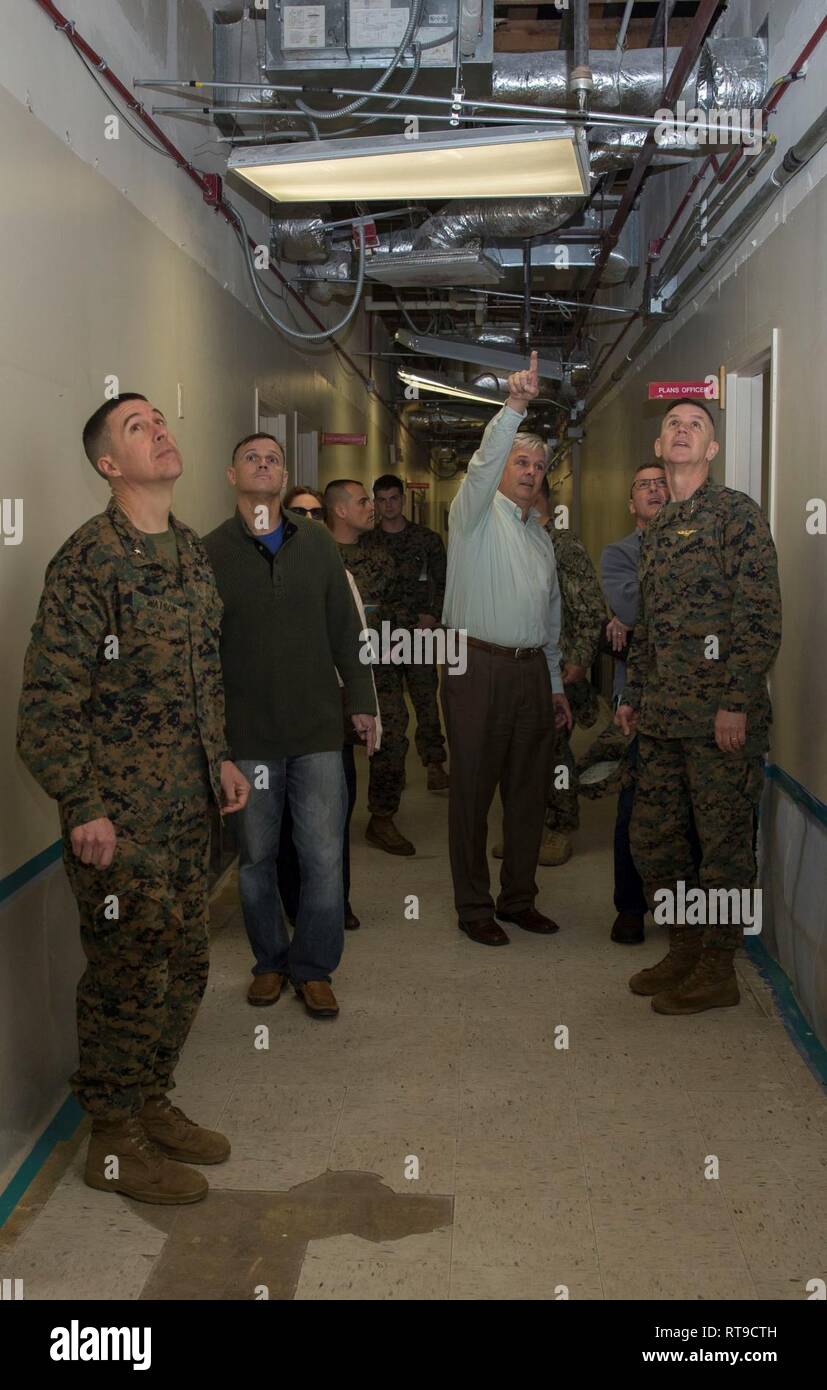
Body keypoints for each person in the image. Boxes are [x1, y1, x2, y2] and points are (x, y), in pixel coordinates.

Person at [17, 394, 250, 1206]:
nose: (158, 430)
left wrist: (218, 756)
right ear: (109, 465)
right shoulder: (88, 562)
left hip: (188, 810)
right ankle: (112, 1141)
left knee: (184, 965)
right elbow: (46, 706)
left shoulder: (188, 552)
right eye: (135, 427)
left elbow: (202, 673)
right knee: (126, 974)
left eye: (159, 418)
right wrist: (82, 805)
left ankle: (151, 1102)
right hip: (119, 823)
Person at [616, 399, 782, 1013]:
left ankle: (719, 967)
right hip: (660, 718)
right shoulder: (656, 530)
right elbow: (650, 628)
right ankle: (684, 946)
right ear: (660, 446)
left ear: (710, 450)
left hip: (720, 723)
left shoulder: (735, 515)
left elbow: (761, 617)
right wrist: (633, 697)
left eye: (696, 426)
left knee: (724, 847)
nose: (682, 432)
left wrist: (736, 701)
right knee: (655, 842)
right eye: (673, 425)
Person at [203, 437, 377, 1020]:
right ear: (233, 475)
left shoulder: (320, 544)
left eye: (273, 459)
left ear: (283, 476)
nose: (263, 465)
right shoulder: (209, 553)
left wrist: (362, 701)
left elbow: (346, 630)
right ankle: (270, 962)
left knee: (322, 855)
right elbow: (201, 653)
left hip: (316, 732)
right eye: (251, 458)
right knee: (254, 857)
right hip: (248, 736)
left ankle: (314, 968)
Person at [441, 351, 571, 947]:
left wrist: (553, 687)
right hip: (476, 668)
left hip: (526, 677)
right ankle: (474, 907)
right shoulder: (472, 515)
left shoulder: (540, 538)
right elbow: (483, 461)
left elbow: (550, 625)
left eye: (538, 464)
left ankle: (519, 898)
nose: (528, 470)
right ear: (501, 468)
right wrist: (514, 405)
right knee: (472, 791)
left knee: (528, 792)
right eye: (520, 460)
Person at [276, 485, 383, 932]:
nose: (309, 520)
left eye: (316, 513)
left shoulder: (341, 575)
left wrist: (367, 707)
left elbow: (357, 645)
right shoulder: (268, 570)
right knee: (283, 823)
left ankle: (336, 902)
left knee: (332, 815)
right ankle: (293, 908)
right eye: (299, 512)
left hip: (330, 713)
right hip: (277, 715)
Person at [325, 478, 415, 856]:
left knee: (392, 734)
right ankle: (328, 824)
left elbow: (400, 605)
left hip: (380, 665)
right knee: (330, 748)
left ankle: (382, 816)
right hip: (330, 672)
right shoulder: (319, 555)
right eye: (364, 501)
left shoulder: (380, 554)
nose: (372, 507)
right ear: (341, 510)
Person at [601, 462, 671, 944]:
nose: (654, 490)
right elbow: (632, 609)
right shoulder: (618, 554)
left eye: (661, 483)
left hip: (694, 702)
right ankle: (630, 906)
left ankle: (679, 910)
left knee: (687, 813)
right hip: (641, 699)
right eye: (644, 486)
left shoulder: (700, 539)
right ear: (631, 504)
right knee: (634, 808)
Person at [372, 474, 449, 793]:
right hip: (382, 638)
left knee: (426, 704)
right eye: (381, 500)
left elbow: (444, 582)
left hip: (420, 635)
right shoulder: (368, 541)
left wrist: (434, 615)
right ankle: (394, 768)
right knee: (391, 712)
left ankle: (434, 764)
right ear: (375, 503)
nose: (388, 505)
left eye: (393, 498)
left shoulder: (427, 540)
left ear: (403, 500)